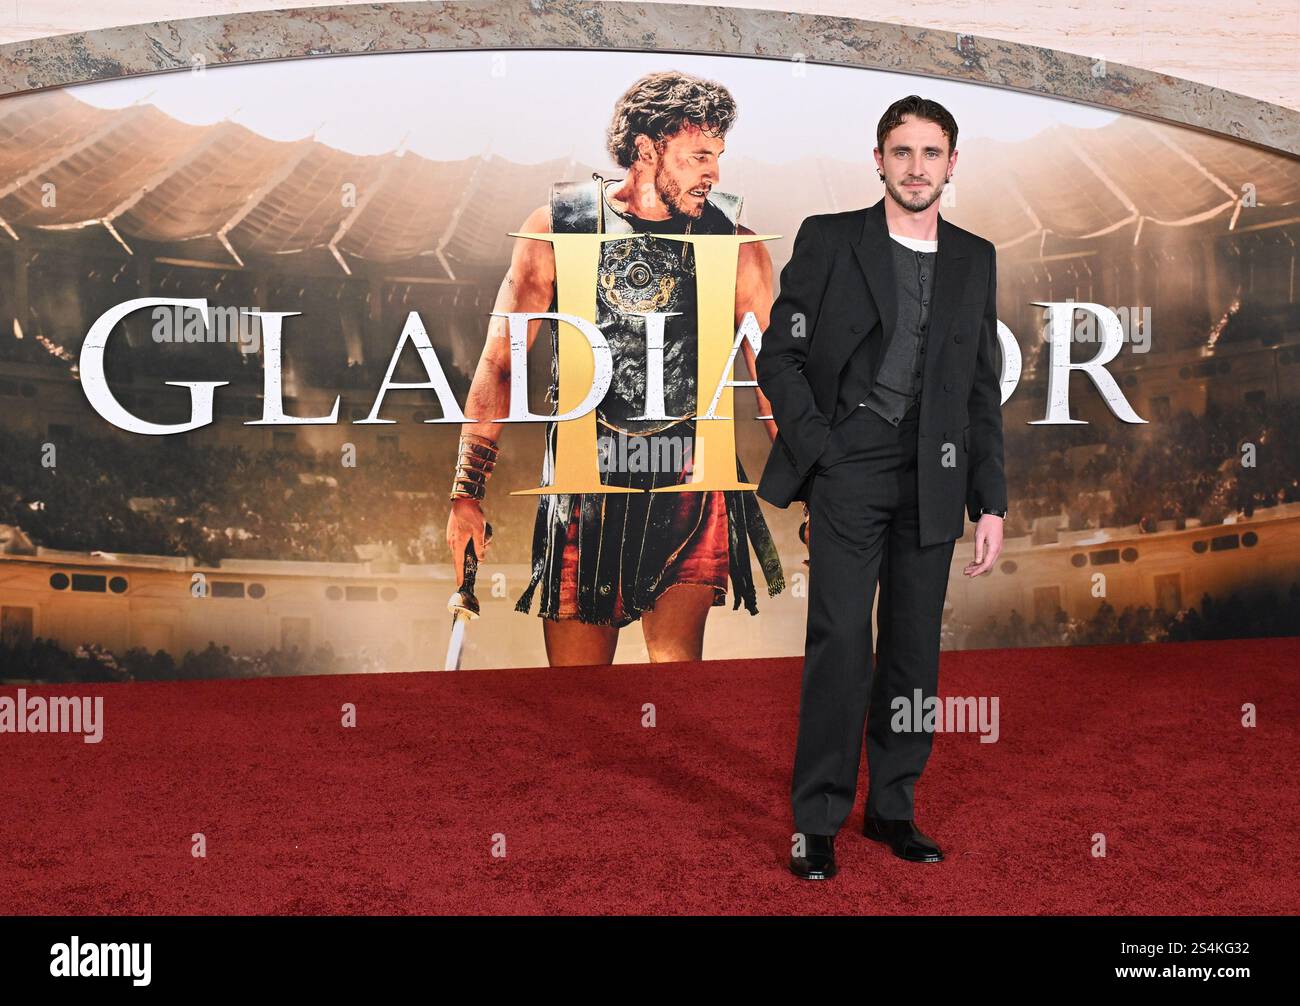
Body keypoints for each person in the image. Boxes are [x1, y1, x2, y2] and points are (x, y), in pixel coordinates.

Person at [446, 70, 784, 667]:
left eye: (718, 156)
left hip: (690, 482)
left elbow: (775, 380)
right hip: (585, 485)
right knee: (581, 708)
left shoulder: (736, 242)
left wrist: (817, 494)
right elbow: (502, 362)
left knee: (676, 682)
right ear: (648, 147)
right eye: (699, 155)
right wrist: (466, 490)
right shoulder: (558, 227)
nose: (715, 172)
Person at [755, 95, 1008, 880]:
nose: (917, 167)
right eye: (902, 152)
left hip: (935, 475)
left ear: (952, 165)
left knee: (914, 654)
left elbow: (978, 390)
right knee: (839, 644)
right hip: (850, 466)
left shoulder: (975, 256)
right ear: (879, 160)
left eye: (932, 153)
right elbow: (778, 358)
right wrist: (824, 448)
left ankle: (892, 808)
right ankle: (817, 820)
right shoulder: (831, 239)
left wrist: (990, 499)